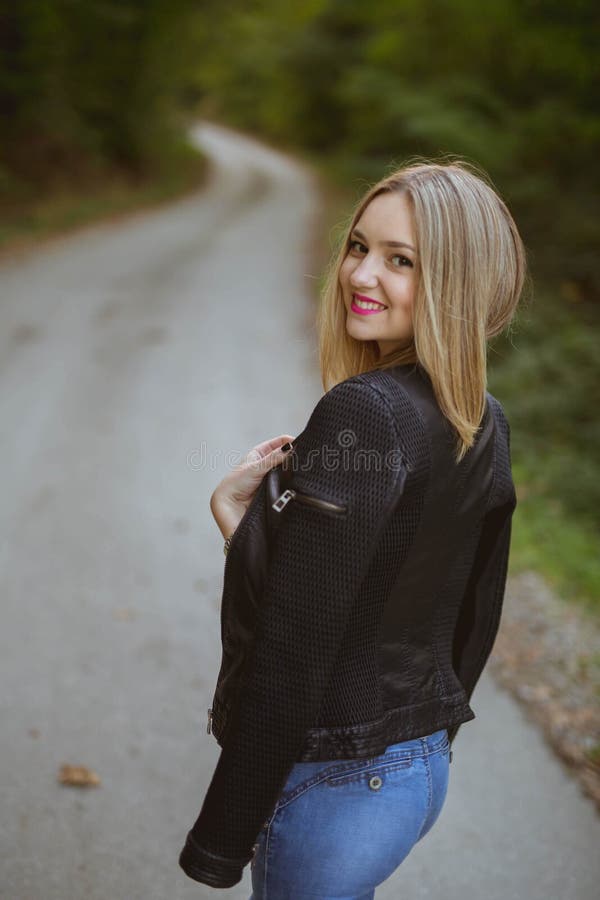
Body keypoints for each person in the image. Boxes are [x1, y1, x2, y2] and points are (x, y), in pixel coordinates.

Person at [178, 160, 526, 897]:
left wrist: (219, 841)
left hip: (336, 782)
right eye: (359, 247)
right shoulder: (483, 417)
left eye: (401, 261)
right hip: (416, 769)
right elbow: (470, 611)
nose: (361, 275)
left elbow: (292, 651)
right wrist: (240, 524)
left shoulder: (364, 413)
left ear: (454, 286)